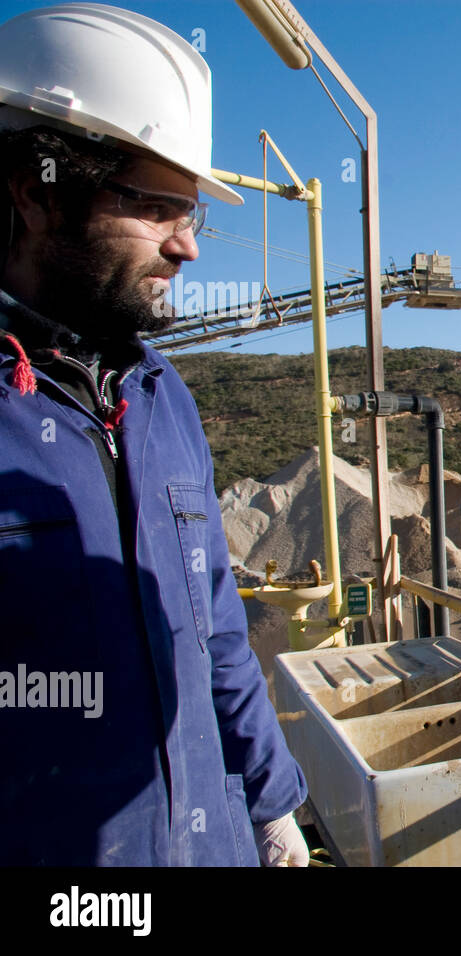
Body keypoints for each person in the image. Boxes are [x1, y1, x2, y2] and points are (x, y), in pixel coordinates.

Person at [0, 3, 308, 866]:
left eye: (194, 214)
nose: (189, 248)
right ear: (36, 191)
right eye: (157, 209)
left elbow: (214, 631)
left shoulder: (161, 397)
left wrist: (272, 804)